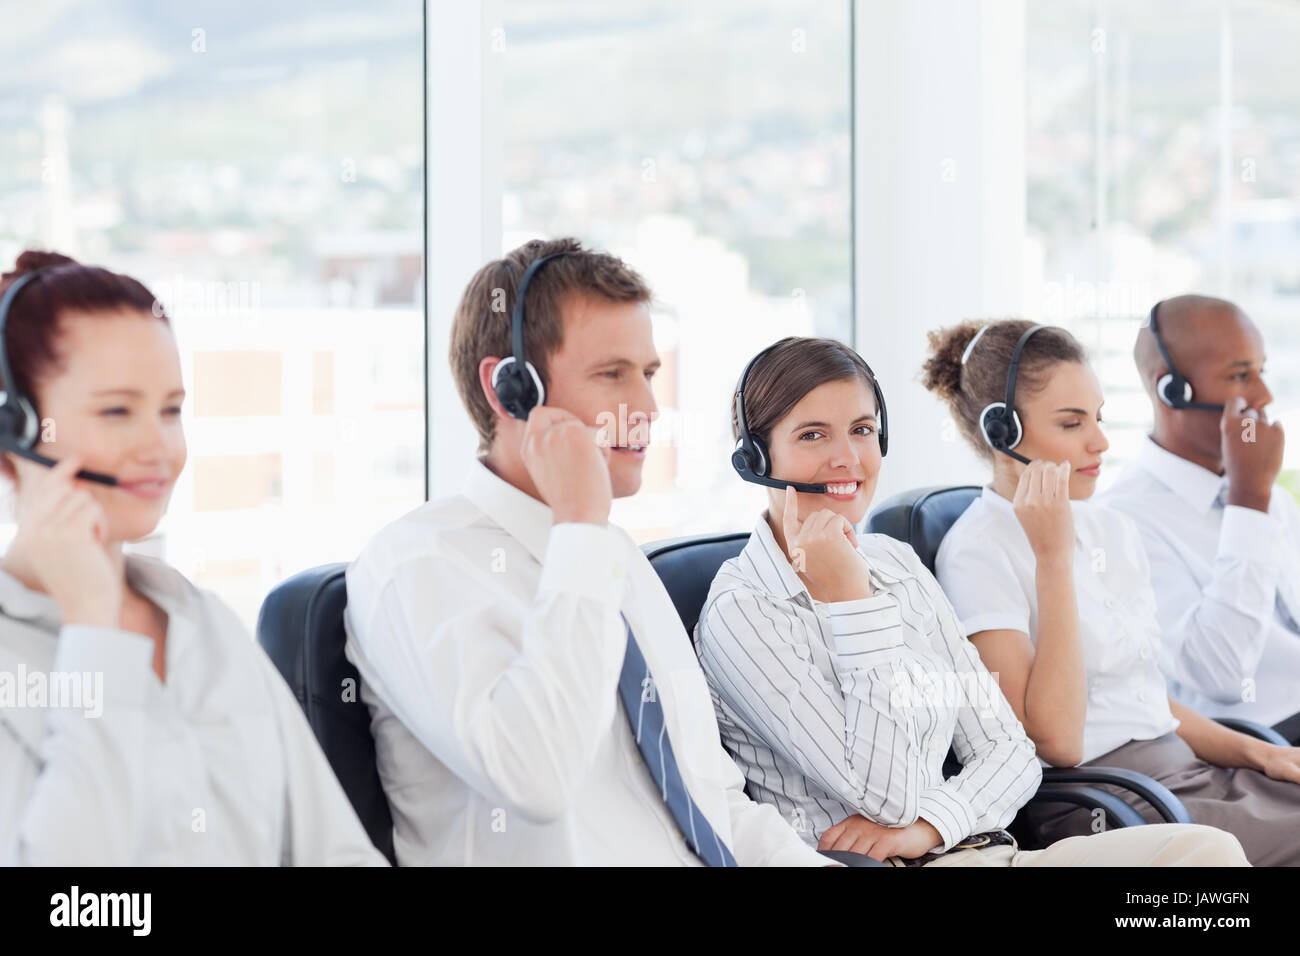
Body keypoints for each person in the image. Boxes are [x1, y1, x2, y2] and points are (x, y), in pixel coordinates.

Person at [343, 238, 835, 866]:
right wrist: (578, 525)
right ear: (511, 390)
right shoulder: (418, 566)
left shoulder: (611, 557)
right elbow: (536, 776)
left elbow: (717, 801)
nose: (649, 409)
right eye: (612, 374)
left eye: (649, 374)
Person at [693, 334, 1246, 866]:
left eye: (862, 430)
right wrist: (851, 605)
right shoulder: (744, 611)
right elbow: (883, 798)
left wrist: (931, 826)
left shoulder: (896, 563)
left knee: (1206, 855)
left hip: (978, 850)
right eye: (813, 435)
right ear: (755, 459)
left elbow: (1011, 750)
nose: (848, 458)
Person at [0, 251, 385, 865]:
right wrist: (92, 629)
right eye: (117, 411)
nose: (159, 447)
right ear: (14, 431)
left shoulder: (205, 626)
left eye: (171, 410)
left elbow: (336, 854)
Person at [924, 318, 1300, 866]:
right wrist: (1053, 560)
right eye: (1072, 423)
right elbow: (1057, 742)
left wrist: (1261, 752)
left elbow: (1144, 698)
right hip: (1108, 802)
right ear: (1000, 432)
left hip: (1190, 771)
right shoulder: (978, 551)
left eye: (1097, 418)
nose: (1099, 442)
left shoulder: (1108, 529)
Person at [1099, 296, 1300, 743]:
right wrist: (1249, 500)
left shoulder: (1270, 498)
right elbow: (1221, 674)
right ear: (1172, 389)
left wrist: (1255, 495)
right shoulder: (1122, 522)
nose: (1264, 397)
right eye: (1239, 375)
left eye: (1261, 371)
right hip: (1259, 741)